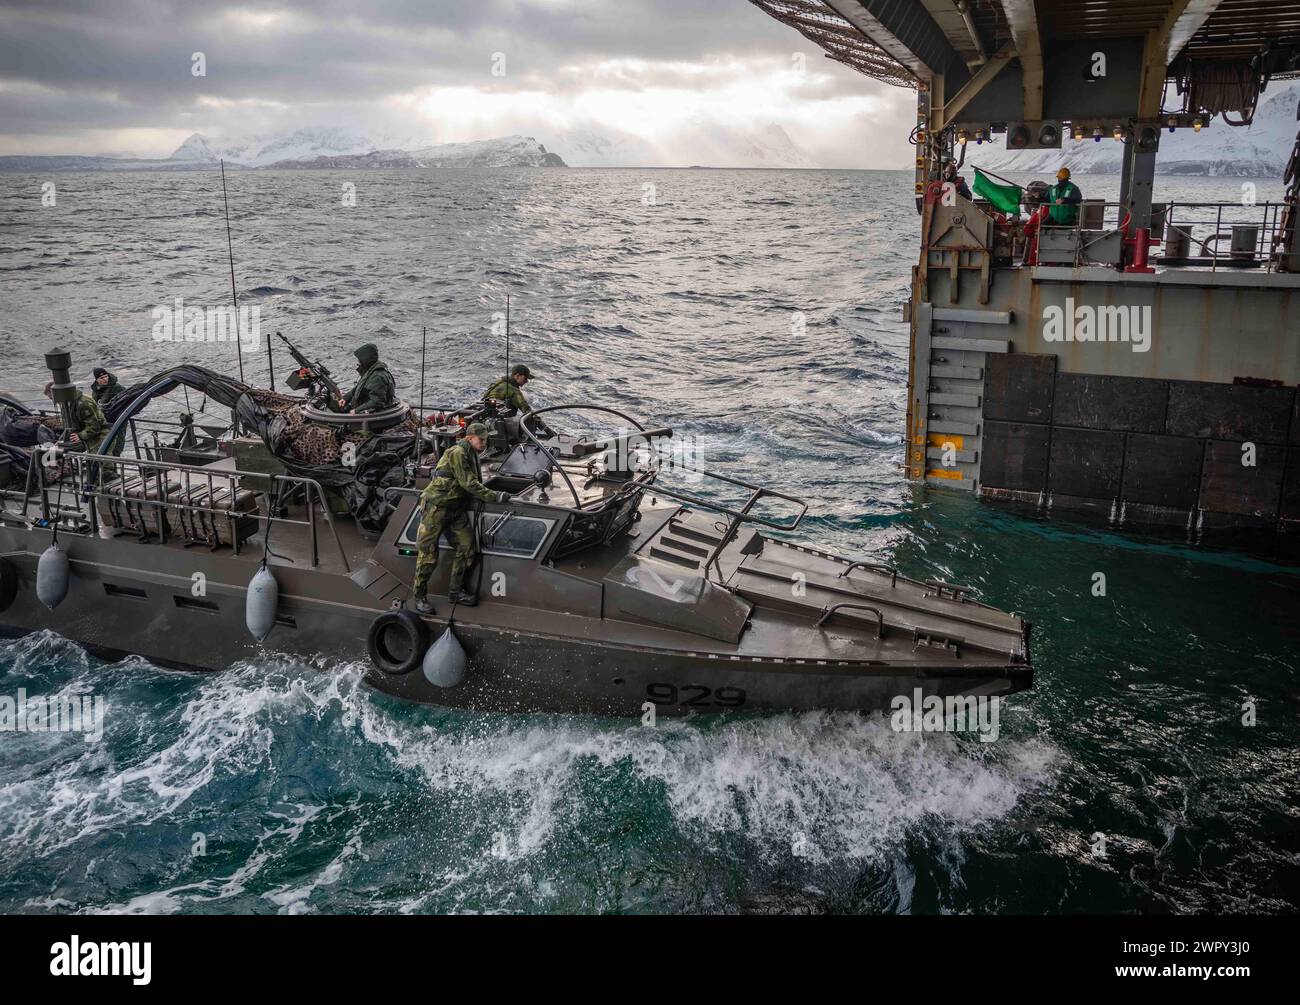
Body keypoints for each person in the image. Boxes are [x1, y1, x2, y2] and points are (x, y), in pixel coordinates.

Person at [412, 421, 511, 613]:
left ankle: (456, 591)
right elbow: (469, 484)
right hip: (437, 509)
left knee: (466, 548)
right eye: (481, 440)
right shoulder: (458, 453)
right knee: (428, 555)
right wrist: (495, 496)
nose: (484, 443)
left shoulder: (472, 453)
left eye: (485, 440)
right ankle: (419, 597)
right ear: (469, 438)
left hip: (456, 509)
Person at [44, 380, 107, 453]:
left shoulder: (83, 403)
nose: (55, 402)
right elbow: (69, 427)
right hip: (88, 436)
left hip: (101, 436)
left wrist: (79, 436)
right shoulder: (66, 404)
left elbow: (95, 426)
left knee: (100, 461)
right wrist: (61, 441)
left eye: (53, 398)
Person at [337, 342, 396, 414]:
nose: (358, 362)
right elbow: (358, 388)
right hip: (363, 405)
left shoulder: (378, 377)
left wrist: (356, 410)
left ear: (365, 360)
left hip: (373, 414)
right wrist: (345, 398)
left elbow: (377, 402)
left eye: (360, 360)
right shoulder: (370, 371)